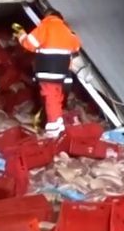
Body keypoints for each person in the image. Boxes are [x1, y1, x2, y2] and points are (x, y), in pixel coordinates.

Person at [14, 9, 81, 138]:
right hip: (61, 71)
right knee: (56, 97)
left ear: (48, 16)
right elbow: (76, 46)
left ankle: (53, 130)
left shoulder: (46, 26)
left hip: (47, 69)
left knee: (50, 98)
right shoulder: (67, 30)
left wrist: (21, 35)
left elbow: (29, 44)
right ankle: (58, 125)